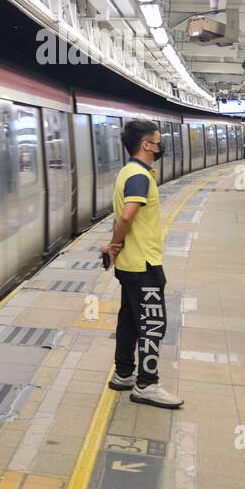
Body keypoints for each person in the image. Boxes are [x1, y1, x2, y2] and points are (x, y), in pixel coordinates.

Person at [100, 119, 183, 409]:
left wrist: (114, 247)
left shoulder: (127, 172)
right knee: (153, 323)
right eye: (158, 141)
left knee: (129, 319)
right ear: (146, 144)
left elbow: (119, 217)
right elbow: (126, 217)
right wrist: (113, 245)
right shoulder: (140, 177)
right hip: (144, 265)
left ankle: (123, 373)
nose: (161, 145)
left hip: (130, 264)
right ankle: (147, 384)